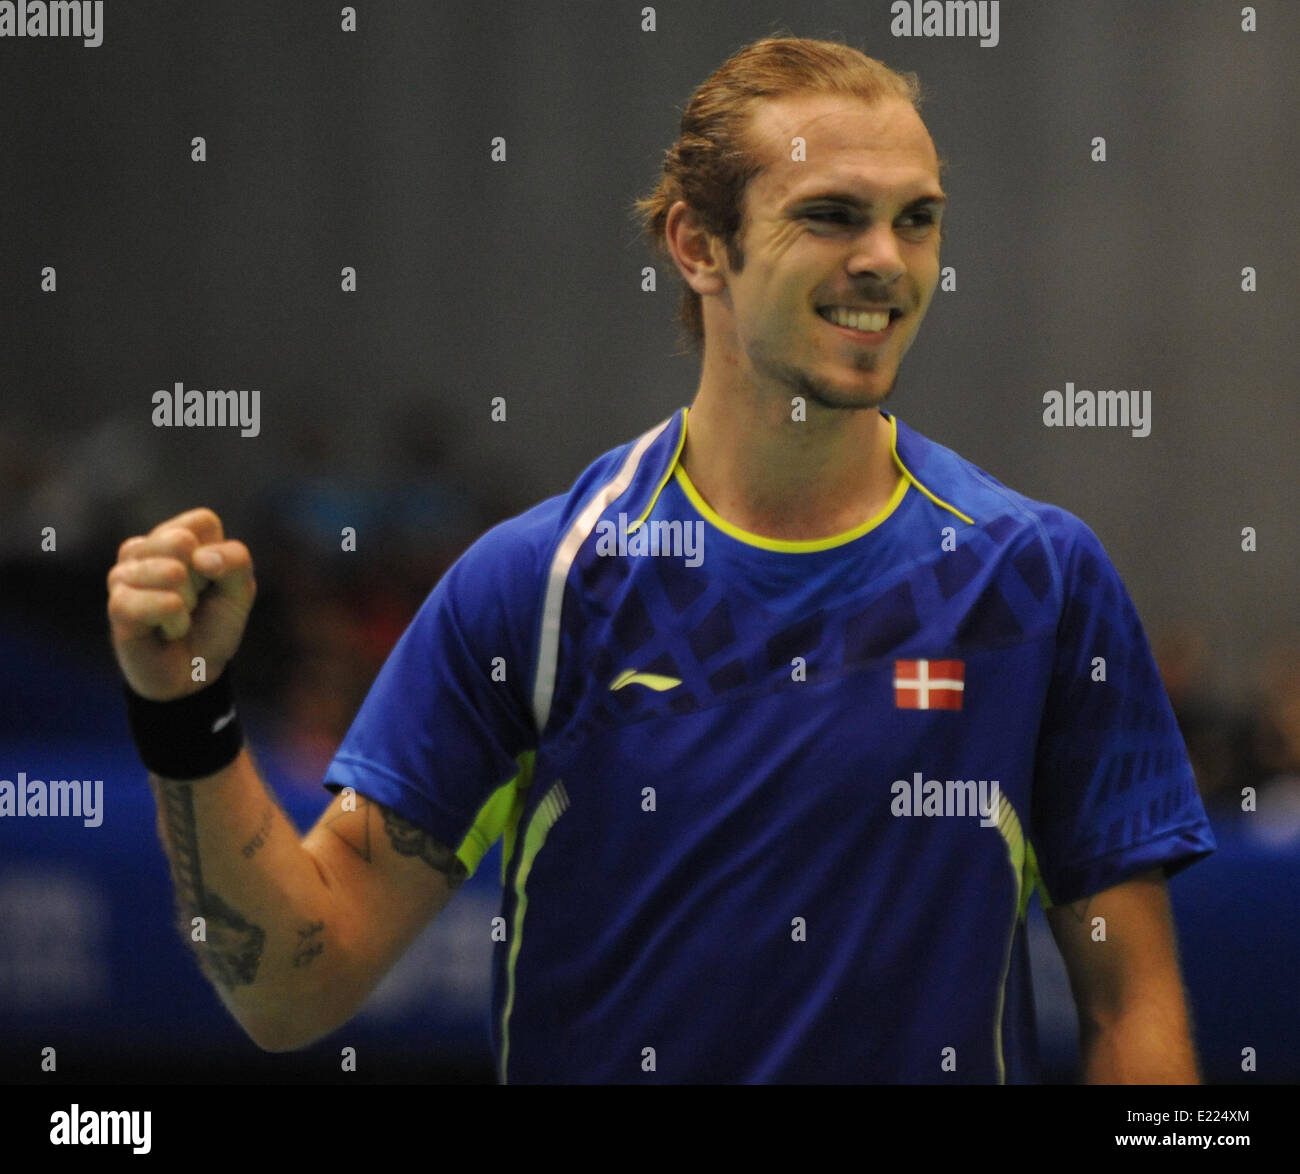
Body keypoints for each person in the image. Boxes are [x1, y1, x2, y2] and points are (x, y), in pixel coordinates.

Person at [107, 35, 1215, 1083]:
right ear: (697, 247)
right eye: (830, 216)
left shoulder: (1037, 582)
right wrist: (184, 708)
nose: (886, 261)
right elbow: (294, 988)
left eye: (916, 220)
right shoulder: (535, 588)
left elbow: (1131, 1004)